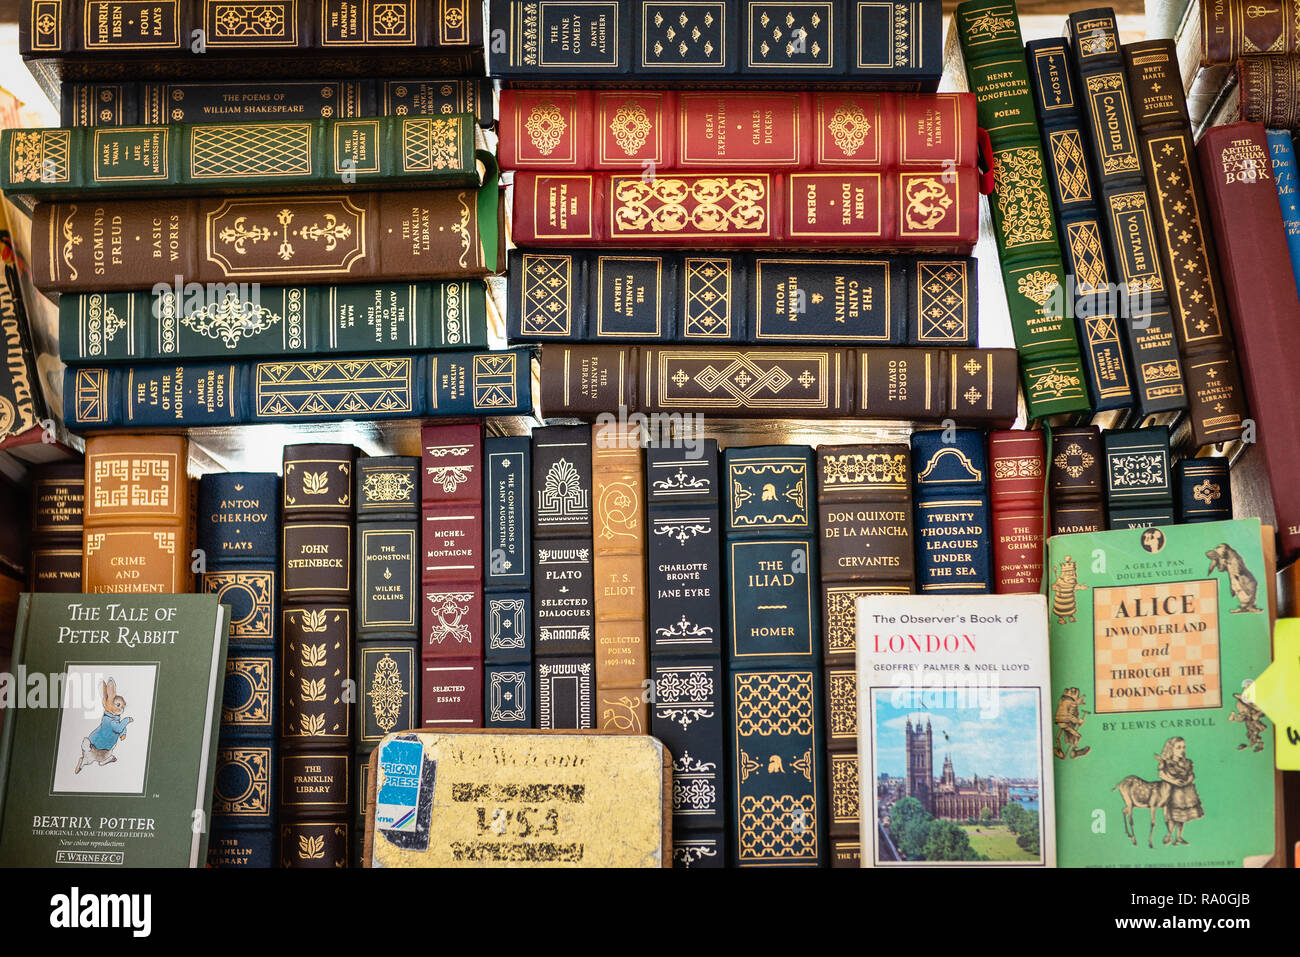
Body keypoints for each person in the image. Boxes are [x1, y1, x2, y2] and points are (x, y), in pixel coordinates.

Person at [1156, 737, 1202, 846]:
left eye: (1183, 747)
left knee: (1182, 816)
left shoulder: (1187, 762)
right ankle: (1169, 834)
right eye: (1178, 747)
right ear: (1171, 749)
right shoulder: (1166, 763)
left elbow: (1192, 775)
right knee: (1172, 816)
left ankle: (1179, 837)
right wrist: (1174, 781)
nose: (1182, 750)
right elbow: (1161, 774)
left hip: (1186, 793)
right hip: (1172, 792)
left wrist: (1188, 781)